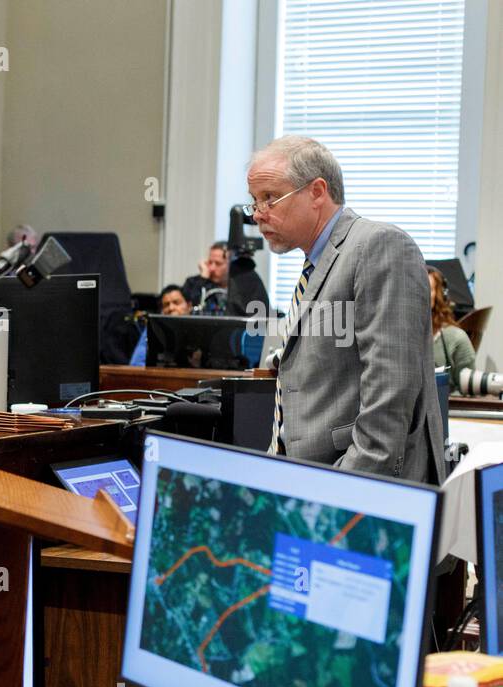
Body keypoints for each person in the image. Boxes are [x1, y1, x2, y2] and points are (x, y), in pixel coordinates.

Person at [247, 135, 443, 482]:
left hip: (362, 489)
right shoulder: (317, 263)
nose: (259, 214)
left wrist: (344, 491)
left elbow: (390, 396)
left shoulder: (379, 246)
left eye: (271, 198)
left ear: (317, 191)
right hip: (312, 480)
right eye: (254, 202)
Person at [429, 266, 475, 394]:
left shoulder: (456, 338)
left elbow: (468, 391)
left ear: (439, 295)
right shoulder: (400, 339)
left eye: (428, 289)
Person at [129, 285, 191, 366]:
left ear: (189, 306)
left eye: (176, 303)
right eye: (166, 305)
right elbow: (136, 363)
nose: (171, 308)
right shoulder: (153, 329)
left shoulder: (201, 328)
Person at [181, 242, 229, 313]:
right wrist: (203, 279)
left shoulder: (238, 287)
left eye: (218, 263)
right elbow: (190, 307)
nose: (212, 268)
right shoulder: (193, 282)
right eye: (210, 262)